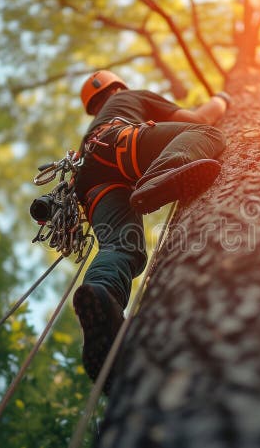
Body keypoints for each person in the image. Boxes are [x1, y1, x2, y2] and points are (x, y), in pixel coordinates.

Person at [71, 70, 230, 385]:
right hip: (120, 145)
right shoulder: (133, 96)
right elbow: (199, 118)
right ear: (118, 87)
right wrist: (221, 100)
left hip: (89, 181)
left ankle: (104, 298)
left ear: (93, 104)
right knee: (210, 135)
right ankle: (164, 170)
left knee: (121, 247)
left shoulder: (92, 126)